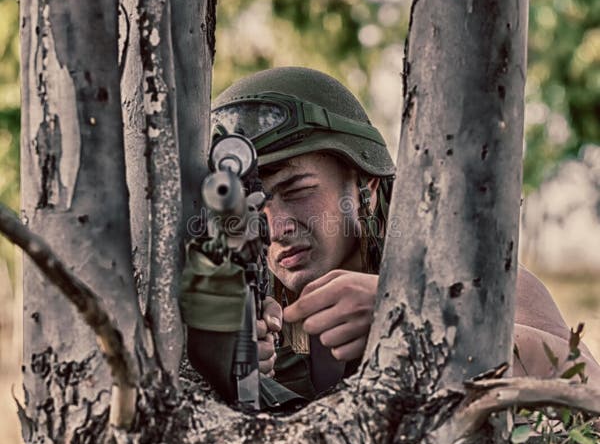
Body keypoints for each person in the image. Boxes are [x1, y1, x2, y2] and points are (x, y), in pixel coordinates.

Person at [182, 66, 600, 405]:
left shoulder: (447, 265)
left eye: (297, 192)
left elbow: (587, 384)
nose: (276, 228)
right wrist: (226, 365)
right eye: (257, 206)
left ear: (366, 187)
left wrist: (407, 318)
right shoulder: (251, 290)